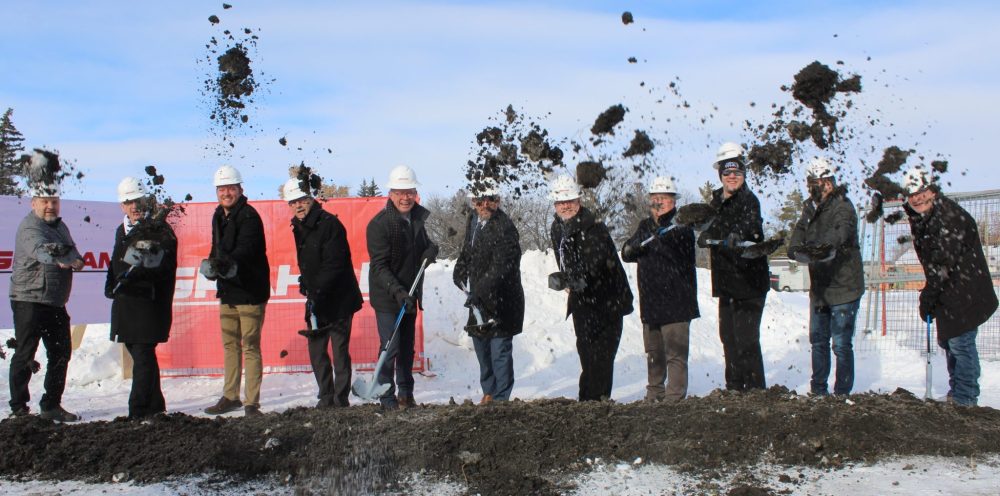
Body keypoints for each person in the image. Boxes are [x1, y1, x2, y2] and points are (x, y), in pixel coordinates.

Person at [902, 166, 997, 406]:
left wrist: (928, 296)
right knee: (949, 342)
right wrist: (933, 294)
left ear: (932, 191)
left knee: (961, 344)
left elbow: (942, 263)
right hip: (949, 289)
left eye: (921, 192)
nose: (916, 198)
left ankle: (965, 398)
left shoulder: (949, 217)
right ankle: (957, 393)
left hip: (966, 290)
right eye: (912, 194)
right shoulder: (924, 217)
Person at [8, 152, 84, 421]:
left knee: (61, 352)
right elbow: (40, 250)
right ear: (34, 203)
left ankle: (51, 404)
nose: (50, 206)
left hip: (54, 301)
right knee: (25, 353)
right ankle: (19, 409)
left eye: (54, 201)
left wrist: (76, 260)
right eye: (45, 201)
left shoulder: (61, 227)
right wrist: (59, 258)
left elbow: (73, 252)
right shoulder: (30, 227)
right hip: (29, 299)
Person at [548, 174, 633, 401]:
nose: (565, 206)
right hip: (582, 300)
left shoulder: (594, 227)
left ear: (579, 200)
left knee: (601, 357)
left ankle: (597, 405)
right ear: (555, 204)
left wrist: (572, 278)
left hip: (608, 299)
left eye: (570, 201)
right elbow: (562, 257)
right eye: (560, 202)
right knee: (586, 355)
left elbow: (595, 263)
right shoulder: (557, 228)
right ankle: (586, 403)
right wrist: (566, 278)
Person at [787, 158, 864, 396]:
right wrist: (795, 248)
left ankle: (842, 394)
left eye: (824, 182)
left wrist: (823, 248)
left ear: (831, 182)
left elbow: (841, 232)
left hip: (844, 286)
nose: (819, 187)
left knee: (841, 344)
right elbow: (800, 230)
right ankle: (818, 390)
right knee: (818, 341)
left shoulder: (843, 206)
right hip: (820, 288)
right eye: (814, 183)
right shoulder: (810, 208)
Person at [283, 178, 363, 408]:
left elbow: (335, 264)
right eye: (293, 202)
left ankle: (340, 398)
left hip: (339, 298)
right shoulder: (298, 226)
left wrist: (316, 289)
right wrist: (306, 281)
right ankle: (326, 396)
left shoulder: (330, 224)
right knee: (317, 350)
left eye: (302, 200)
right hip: (317, 298)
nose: (298, 206)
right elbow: (311, 261)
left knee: (339, 350)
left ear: (311, 199)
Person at [104, 177, 178, 419]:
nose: (134, 206)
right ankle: (155, 407)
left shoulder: (159, 229)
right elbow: (115, 261)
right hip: (126, 304)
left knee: (143, 355)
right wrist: (111, 283)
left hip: (149, 304)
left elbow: (164, 264)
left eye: (137, 200)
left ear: (146, 201)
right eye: (128, 202)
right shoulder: (122, 230)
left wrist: (139, 274)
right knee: (140, 354)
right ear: (122, 206)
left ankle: (137, 411)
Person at [699, 142, 770, 391]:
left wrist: (738, 234)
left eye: (737, 172)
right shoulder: (715, 203)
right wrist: (704, 233)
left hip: (750, 282)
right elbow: (707, 226)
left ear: (744, 174)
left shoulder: (750, 201)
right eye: (727, 172)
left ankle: (755, 390)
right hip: (726, 282)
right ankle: (734, 387)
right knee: (728, 337)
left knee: (746, 339)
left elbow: (752, 226)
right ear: (720, 174)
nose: (732, 176)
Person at [366, 165, 438, 410]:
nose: (405, 197)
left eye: (409, 192)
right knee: (391, 346)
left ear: (415, 193)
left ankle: (406, 394)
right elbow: (379, 267)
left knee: (407, 348)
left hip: (410, 292)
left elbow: (425, 246)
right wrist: (398, 292)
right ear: (390, 194)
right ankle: (387, 397)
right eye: (399, 192)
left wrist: (431, 250)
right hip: (388, 295)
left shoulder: (416, 219)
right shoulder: (379, 225)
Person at [621, 176, 699, 402]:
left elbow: (671, 246)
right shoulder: (645, 226)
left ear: (674, 201)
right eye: (655, 198)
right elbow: (628, 252)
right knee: (654, 354)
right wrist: (630, 248)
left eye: (664, 198)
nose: (659, 202)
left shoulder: (682, 226)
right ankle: (654, 394)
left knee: (675, 355)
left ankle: (674, 399)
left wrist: (654, 238)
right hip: (651, 301)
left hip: (676, 302)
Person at [202, 165, 271, 417]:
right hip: (228, 290)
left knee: (250, 346)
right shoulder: (218, 216)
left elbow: (246, 250)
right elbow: (216, 247)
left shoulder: (249, 216)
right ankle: (230, 397)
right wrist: (213, 264)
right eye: (221, 189)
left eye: (230, 188)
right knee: (230, 345)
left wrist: (224, 263)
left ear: (240, 189)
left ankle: (252, 403)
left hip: (250, 291)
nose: (226, 193)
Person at [452, 179, 525, 404]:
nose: (484, 205)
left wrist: (480, 290)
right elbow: (468, 249)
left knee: (499, 350)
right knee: (482, 348)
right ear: (473, 202)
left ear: (498, 200)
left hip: (503, 298)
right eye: (479, 200)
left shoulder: (505, 228)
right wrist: (460, 268)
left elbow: (502, 267)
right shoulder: (473, 219)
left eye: (490, 199)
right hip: (480, 300)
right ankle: (489, 392)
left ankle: (501, 399)